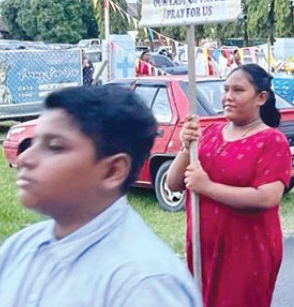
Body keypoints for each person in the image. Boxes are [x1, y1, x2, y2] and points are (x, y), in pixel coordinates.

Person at [0, 86, 202, 306]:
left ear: (112, 171)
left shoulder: (144, 284)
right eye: (32, 143)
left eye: (55, 146)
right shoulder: (21, 247)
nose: (26, 158)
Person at [166, 64, 292, 307]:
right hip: (203, 249)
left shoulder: (272, 141)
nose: (228, 97)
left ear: (261, 98)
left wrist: (207, 187)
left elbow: (267, 197)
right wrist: (186, 146)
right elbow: (174, 183)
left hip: (246, 253)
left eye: (238, 90)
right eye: (225, 89)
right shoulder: (211, 133)